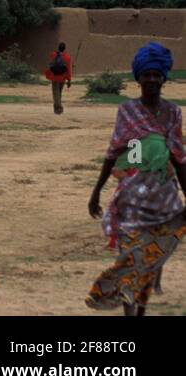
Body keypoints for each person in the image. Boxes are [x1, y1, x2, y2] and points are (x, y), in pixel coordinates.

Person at [86, 42, 186, 315]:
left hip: (163, 200)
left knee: (149, 261)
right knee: (131, 258)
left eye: (157, 74)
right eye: (147, 74)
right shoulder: (127, 112)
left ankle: (139, 311)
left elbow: (179, 159)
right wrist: (96, 192)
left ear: (164, 78)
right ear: (138, 78)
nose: (152, 79)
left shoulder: (173, 113)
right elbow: (112, 152)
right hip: (131, 197)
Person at [44, 41, 73, 115]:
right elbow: (69, 70)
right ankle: (57, 108)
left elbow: (51, 64)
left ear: (58, 48)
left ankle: (58, 108)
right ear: (64, 49)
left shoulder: (53, 55)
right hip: (62, 78)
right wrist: (69, 80)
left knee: (55, 93)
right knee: (59, 92)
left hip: (54, 77)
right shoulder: (67, 57)